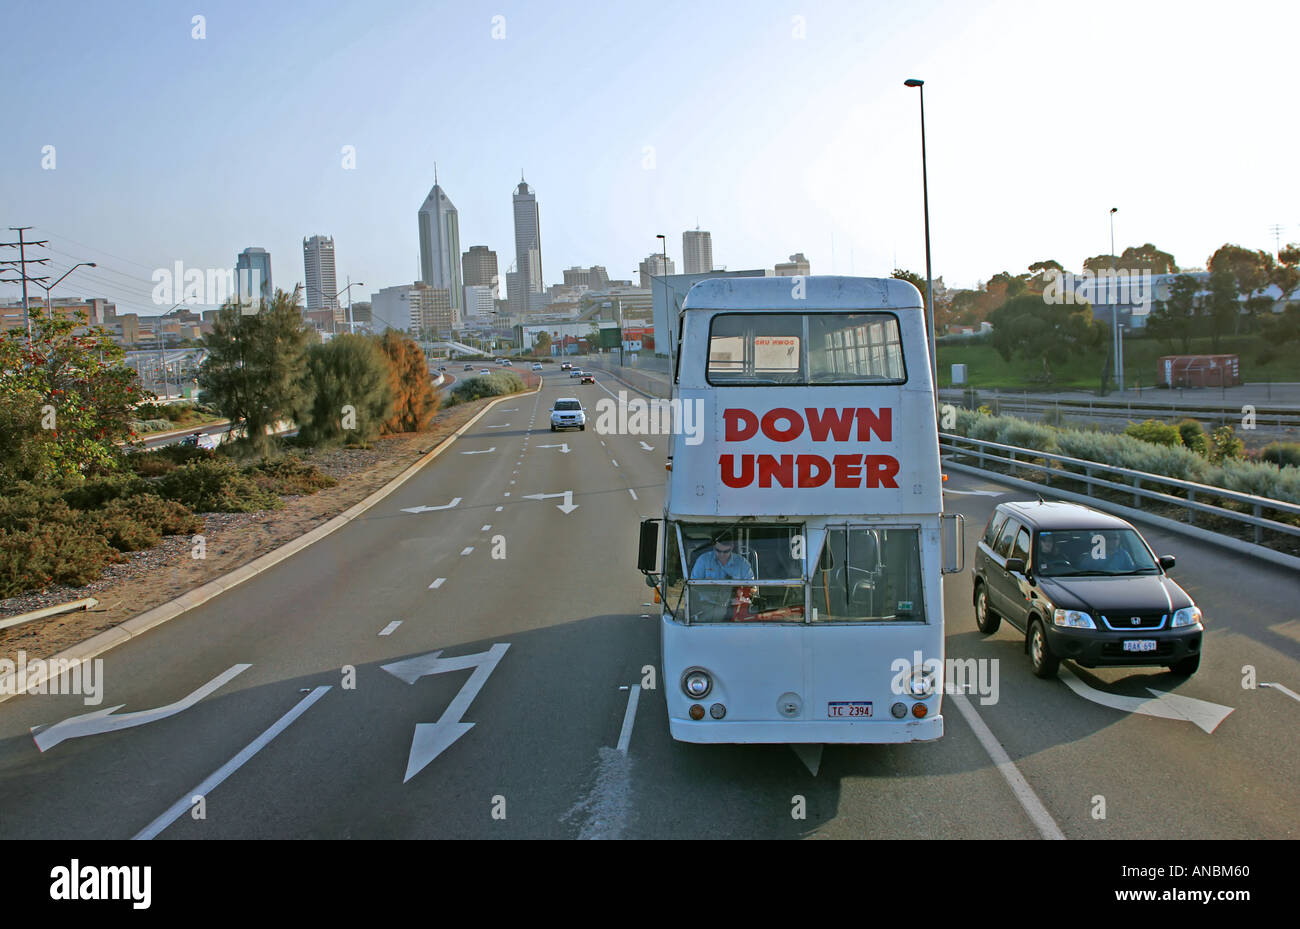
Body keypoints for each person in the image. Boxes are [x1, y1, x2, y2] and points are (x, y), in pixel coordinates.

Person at [690, 531, 755, 621]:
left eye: (726, 551)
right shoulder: (703, 560)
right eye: (718, 551)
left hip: (735, 607)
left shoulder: (742, 563)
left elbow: (752, 588)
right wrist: (706, 585)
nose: (722, 555)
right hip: (707, 606)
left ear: (732, 547)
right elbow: (692, 586)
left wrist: (741, 592)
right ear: (713, 547)